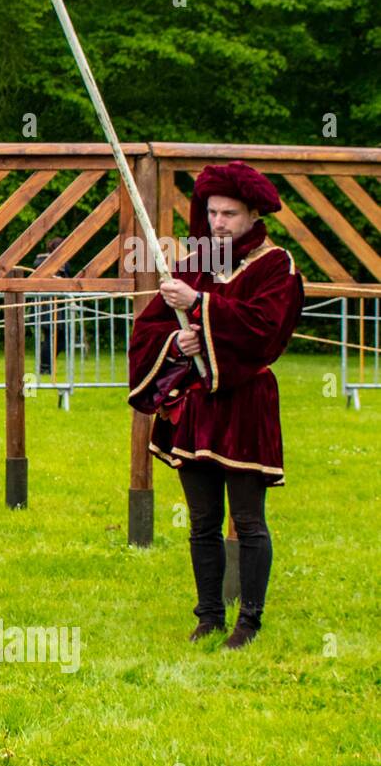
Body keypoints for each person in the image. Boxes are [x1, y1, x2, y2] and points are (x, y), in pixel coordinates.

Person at [128, 161, 303, 649]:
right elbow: (148, 330)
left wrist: (201, 308)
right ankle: (208, 616)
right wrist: (176, 344)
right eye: (212, 212)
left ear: (252, 214)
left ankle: (249, 622)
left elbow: (264, 331)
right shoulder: (193, 266)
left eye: (229, 213)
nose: (219, 222)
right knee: (201, 521)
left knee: (248, 521)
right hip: (197, 409)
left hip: (245, 408)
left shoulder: (276, 266)